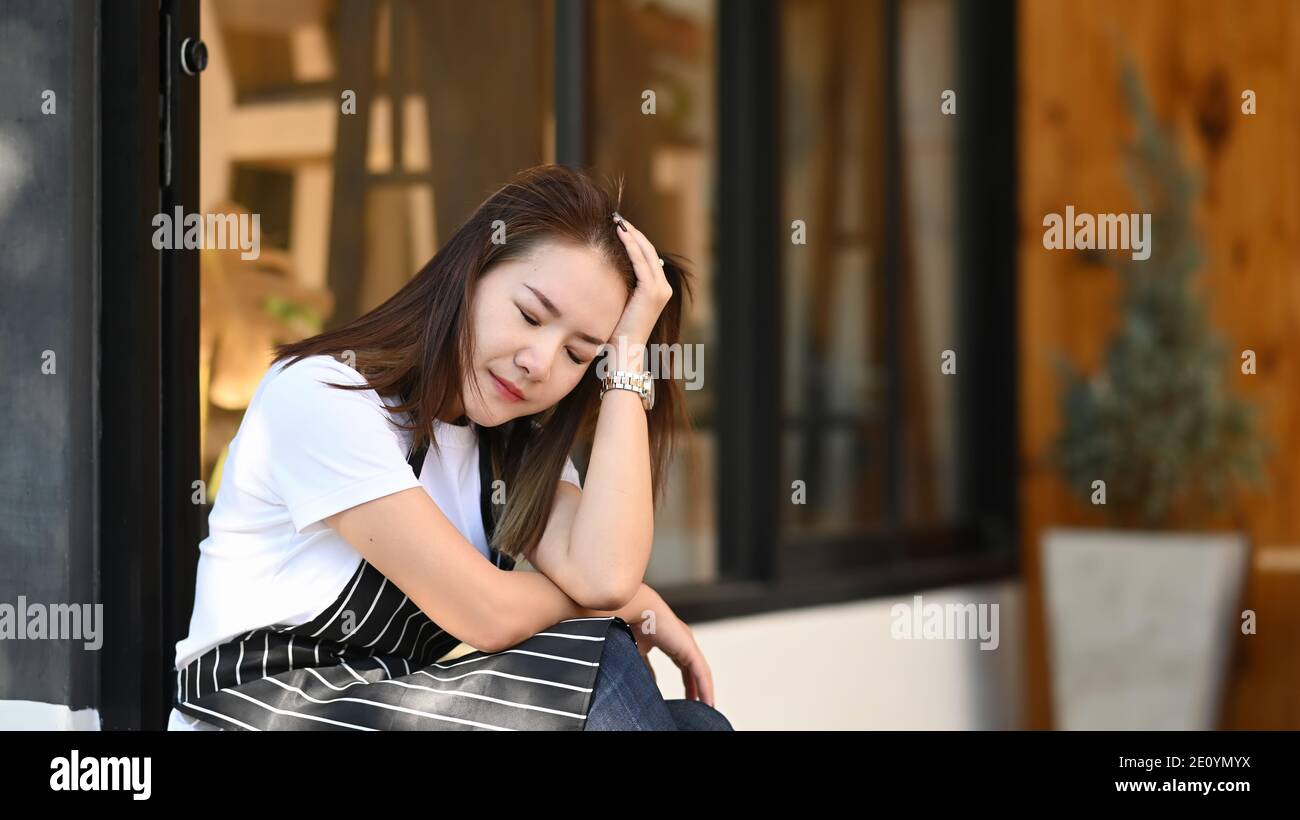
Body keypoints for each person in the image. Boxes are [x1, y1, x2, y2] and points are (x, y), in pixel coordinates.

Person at [169, 164, 733, 731]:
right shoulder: (325, 396)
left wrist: (629, 357)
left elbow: (603, 576)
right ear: (470, 274)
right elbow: (486, 613)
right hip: (253, 716)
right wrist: (635, 606)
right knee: (599, 665)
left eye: (579, 355)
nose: (538, 362)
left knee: (693, 725)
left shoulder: (514, 452)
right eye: (530, 315)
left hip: (379, 708)